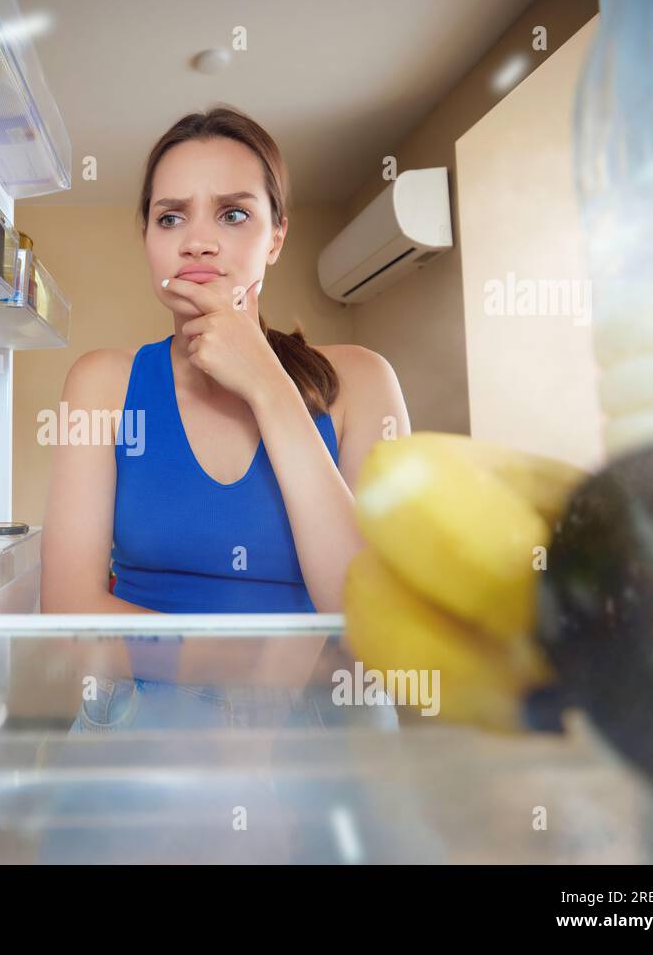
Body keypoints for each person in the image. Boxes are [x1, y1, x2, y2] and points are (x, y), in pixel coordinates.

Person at [40, 106, 410, 734]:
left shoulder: (362, 381)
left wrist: (268, 386)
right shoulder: (102, 383)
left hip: (318, 727)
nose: (198, 240)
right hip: (142, 722)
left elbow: (372, 619)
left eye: (234, 214)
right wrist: (254, 658)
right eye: (171, 216)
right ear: (148, 239)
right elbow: (71, 619)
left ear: (277, 236)